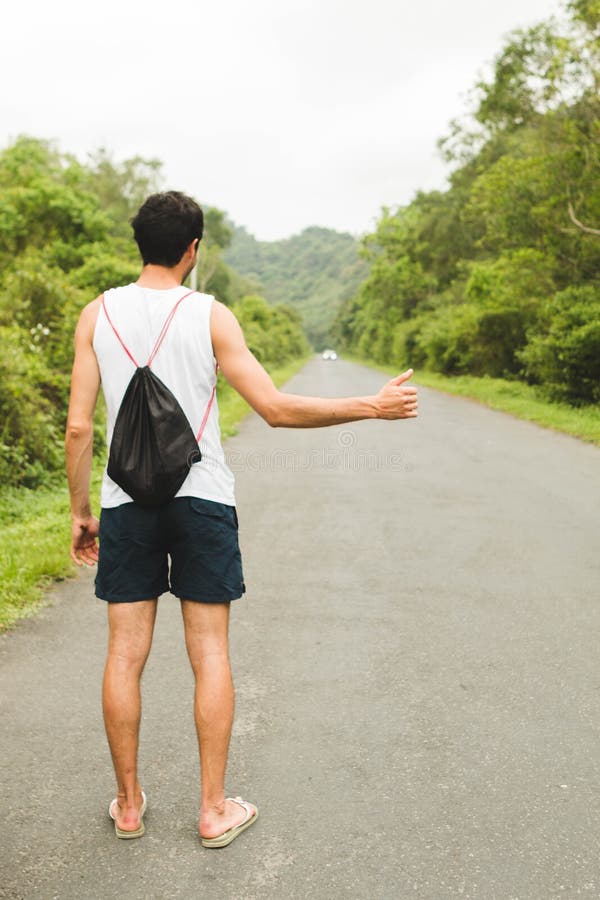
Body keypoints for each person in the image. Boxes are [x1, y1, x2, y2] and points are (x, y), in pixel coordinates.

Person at [65, 190, 418, 848]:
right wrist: (372, 406)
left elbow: (81, 424)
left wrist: (84, 511)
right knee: (210, 654)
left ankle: (129, 805)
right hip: (202, 498)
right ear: (193, 250)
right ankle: (213, 810)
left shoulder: (97, 313)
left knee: (123, 654)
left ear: (138, 243)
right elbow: (276, 409)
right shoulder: (210, 316)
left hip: (125, 502)